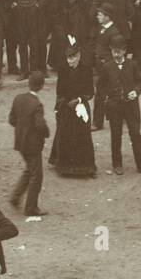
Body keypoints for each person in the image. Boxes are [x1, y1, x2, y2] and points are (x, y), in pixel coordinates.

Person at [97, 35, 141, 177]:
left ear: (125, 51)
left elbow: (140, 82)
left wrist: (135, 92)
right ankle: (117, 164)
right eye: (114, 51)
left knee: (135, 134)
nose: (116, 54)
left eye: (119, 51)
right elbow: (100, 86)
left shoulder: (132, 65)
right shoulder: (107, 67)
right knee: (116, 135)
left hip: (131, 106)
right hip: (115, 107)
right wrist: (108, 97)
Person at [48, 42, 96, 178]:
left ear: (79, 56)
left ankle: (86, 168)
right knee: (65, 134)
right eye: (68, 58)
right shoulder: (63, 70)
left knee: (83, 136)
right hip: (66, 107)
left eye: (73, 58)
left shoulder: (86, 70)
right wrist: (61, 104)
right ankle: (65, 167)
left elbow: (90, 92)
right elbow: (59, 91)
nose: (70, 61)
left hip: (81, 107)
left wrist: (79, 100)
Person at [8, 70, 49, 218]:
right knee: (36, 176)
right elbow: (40, 126)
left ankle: (15, 197)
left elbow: (12, 120)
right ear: (41, 86)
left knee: (30, 170)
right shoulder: (37, 105)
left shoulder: (18, 98)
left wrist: (22, 130)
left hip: (20, 143)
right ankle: (31, 208)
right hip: (33, 145)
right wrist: (46, 132)